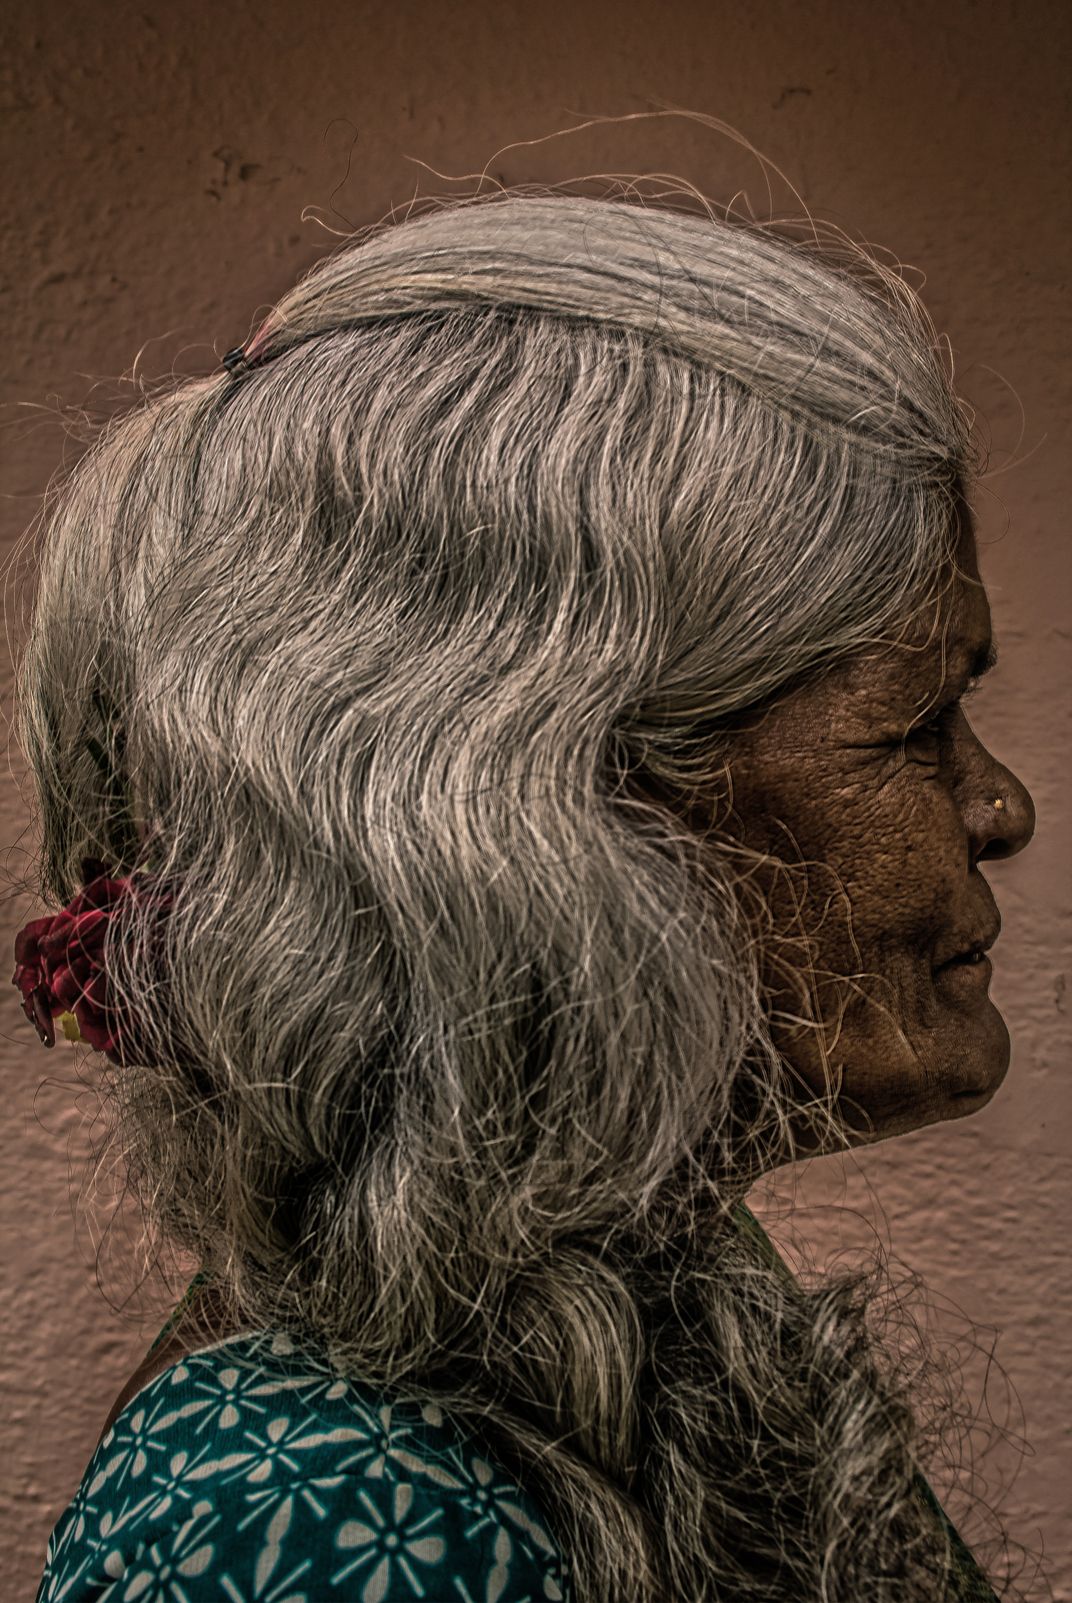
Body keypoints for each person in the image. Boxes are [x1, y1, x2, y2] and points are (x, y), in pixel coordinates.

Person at [13, 180, 1035, 1602]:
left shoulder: (639, 1327)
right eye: (914, 723)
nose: (1001, 807)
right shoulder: (320, 1505)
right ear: (550, 839)